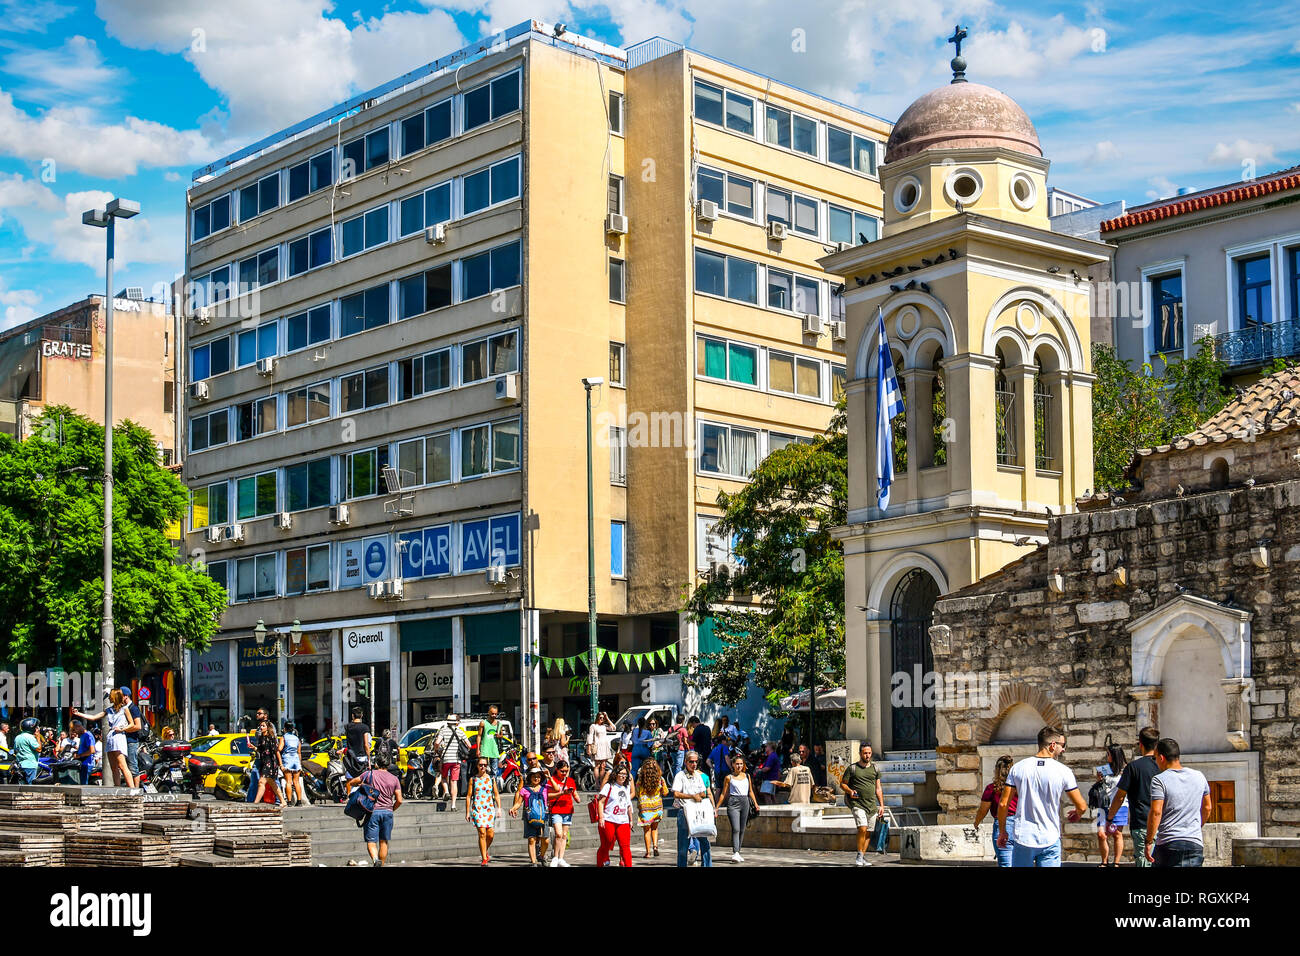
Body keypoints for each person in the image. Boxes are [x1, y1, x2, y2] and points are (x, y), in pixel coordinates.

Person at [998, 726, 1088, 868]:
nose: (1063, 749)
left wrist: (1002, 832)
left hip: (1023, 836)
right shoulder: (1064, 771)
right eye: (1063, 745)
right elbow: (1082, 806)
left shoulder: (1018, 768)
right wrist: (1077, 813)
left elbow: (1003, 804)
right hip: (1050, 836)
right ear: (1053, 745)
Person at [1146, 738, 1211, 867]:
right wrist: (1196, 827)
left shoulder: (1159, 780)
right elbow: (1208, 807)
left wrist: (1148, 841)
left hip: (1169, 844)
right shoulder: (1199, 776)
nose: (1156, 762)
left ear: (1161, 758)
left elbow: (1156, 812)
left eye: (1155, 758)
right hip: (1195, 844)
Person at [1106, 726, 1160, 869]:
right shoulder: (1163, 766)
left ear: (1140, 744)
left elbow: (1120, 797)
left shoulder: (1133, 767)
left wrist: (1110, 818)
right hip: (1164, 823)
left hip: (1142, 823)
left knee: (1144, 860)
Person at [346, 751, 402, 867]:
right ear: (388, 764)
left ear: (376, 763)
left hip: (373, 812)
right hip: (388, 812)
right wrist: (391, 809)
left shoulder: (368, 774)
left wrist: (361, 785)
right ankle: (382, 864)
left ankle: (376, 860)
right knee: (383, 841)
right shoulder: (394, 779)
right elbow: (399, 800)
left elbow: (352, 782)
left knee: (371, 842)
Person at [73, 691, 135, 787]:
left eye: (110, 697)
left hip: (119, 736)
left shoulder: (124, 709)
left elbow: (132, 724)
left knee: (122, 765)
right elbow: (94, 717)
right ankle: (117, 788)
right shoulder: (109, 710)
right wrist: (79, 714)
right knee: (113, 767)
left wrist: (122, 729)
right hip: (111, 737)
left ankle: (132, 789)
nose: (109, 699)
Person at [840, 743, 885, 866]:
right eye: (865, 753)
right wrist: (850, 791)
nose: (867, 755)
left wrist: (882, 805)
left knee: (869, 832)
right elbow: (843, 784)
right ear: (860, 753)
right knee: (862, 828)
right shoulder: (852, 768)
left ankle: (862, 856)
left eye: (869, 753)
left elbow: (878, 788)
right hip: (857, 804)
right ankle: (859, 855)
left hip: (871, 805)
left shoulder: (875, 769)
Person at [715, 753, 759, 863]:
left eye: (741, 764)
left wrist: (756, 804)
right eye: (737, 764)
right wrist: (717, 807)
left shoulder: (747, 776)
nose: (739, 766)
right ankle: (735, 852)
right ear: (733, 765)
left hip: (745, 802)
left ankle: (738, 851)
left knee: (742, 828)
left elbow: (750, 791)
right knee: (736, 828)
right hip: (733, 802)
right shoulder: (729, 777)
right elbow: (723, 794)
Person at [974, 755, 1017, 867]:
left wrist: (976, 822)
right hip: (1021, 825)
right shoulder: (1019, 787)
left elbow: (983, 810)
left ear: (996, 771)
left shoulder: (992, 789)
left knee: (1006, 864)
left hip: (1003, 825)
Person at [672, 751, 712, 867]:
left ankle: (707, 865)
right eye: (691, 762)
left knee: (704, 841)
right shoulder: (680, 775)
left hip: (697, 811)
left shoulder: (698, 776)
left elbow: (703, 793)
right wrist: (692, 796)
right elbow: (676, 793)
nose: (694, 764)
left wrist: (698, 795)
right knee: (683, 845)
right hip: (685, 810)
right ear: (686, 762)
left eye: (695, 762)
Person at [1095, 742, 1128, 866]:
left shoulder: (1125, 770)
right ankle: (1104, 861)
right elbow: (1099, 786)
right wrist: (1099, 780)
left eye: (1108, 753)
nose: (1106, 756)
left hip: (1120, 806)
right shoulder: (1104, 769)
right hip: (1104, 805)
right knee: (1101, 834)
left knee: (1116, 834)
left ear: (1114, 755)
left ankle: (1116, 862)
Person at [510, 766, 551, 866]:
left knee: (545, 840)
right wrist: (513, 808)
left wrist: (549, 777)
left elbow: (557, 789)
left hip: (543, 816)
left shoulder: (545, 788)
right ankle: (533, 862)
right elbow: (519, 802)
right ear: (530, 777)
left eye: (538, 776)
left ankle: (541, 856)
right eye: (534, 776)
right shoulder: (525, 790)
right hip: (530, 817)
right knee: (531, 839)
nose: (536, 778)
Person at [597, 762, 635, 867]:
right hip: (609, 819)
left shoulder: (626, 787)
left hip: (623, 821)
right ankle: (600, 863)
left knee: (625, 846)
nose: (623, 776)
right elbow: (600, 802)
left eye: (625, 774)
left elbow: (628, 804)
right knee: (606, 844)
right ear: (616, 774)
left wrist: (631, 820)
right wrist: (601, 818)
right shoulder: (609, 786)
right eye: (621, 774)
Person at [433, 714, 471, 810]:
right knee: (454, 781)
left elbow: (437, 743)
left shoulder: (443, 730)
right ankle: (453, 805)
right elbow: (469, 745)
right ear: (456, 722)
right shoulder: (460, 732)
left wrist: (437, 750)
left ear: (448, 722)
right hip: (457, 760)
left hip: (446, 759)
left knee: (444, 777)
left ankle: (446, 791)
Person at [467, 757, 501, 865]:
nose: (483, 767)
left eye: (485, 765)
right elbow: (468, 796)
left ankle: (484, 849)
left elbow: (496, 794)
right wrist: (467, 812)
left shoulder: (491, 779)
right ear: (477, 766)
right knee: (482, 833)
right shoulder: (473, 779)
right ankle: (484, 859)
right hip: (477, 809)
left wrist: (499, 808)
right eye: (481, 765)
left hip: (489, 809)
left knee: (490, 834)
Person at [546, 761, 579, 867]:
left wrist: (577, 797)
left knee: (564, 835)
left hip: (568, 810)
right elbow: (548, 796)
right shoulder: (553, 780)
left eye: (566, 771)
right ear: (557, 769)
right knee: (558, 834)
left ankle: (561, 858)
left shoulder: (570, 781)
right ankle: (555, 857)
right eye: (562, 771)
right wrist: (561, 793)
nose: (564, 773)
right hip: (556, 810)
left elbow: (575, 795)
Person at [636, 758, 670, 858]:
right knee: (655, 828)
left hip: (645, 808)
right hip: (657, 807)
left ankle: (648, 852)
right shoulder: (660, 779)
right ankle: (655, 846)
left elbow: (637, 793)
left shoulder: (641, 780)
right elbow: (665, 792)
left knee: (647, 830)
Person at [252, 720, 284, 805]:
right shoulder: (261, 737)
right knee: (272, 783)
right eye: (260, 726)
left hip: (270, 763)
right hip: (264, 762)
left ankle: (256, 802)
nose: (261, 728)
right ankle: (283, 801)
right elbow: (260, 750)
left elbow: (277, 751)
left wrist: (281, 764)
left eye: (263, 726)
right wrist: (254, 748)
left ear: (267, 727)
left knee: (261, 782)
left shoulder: (271, 737)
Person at [120, 687, 144, 781]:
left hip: (131, 741)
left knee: (133, 766)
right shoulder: (124, 708)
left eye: (120, 696)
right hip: (125, 741)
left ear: (125, 696)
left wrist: (123, 730)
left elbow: (138, 726)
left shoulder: (133, 708)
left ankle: (136, 790)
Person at [586, 712, 614, 791]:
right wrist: (589, 747)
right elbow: (590, 736)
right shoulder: (593, 726)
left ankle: (602, 783)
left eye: (603, 718)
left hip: (604, 746)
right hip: (597, 746)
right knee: (597, 765)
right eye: (600, 718)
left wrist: (607, 717)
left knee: (603, 766)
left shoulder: (604, 726)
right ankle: (597, 784)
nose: (602, 719)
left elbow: (613, 728)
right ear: (597, 718)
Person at [280, 722, 305, 807]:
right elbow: (299, 752)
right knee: (296, 782)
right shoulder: (296, 738)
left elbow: (279, 748)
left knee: (288, 781)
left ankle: (290, 801)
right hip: (296, 760)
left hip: (287, 760)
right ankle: (299, 801)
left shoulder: (283, 737)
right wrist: (299, 763)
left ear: (285, 728)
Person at [344, 707, 371, 778]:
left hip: (350, 757)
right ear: (361, 715)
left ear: (352, 715)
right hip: (361, 757)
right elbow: (366, 744)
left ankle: (349, 790)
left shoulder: (347, 727)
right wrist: (369, 759)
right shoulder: (365, 727)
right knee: (362, 779)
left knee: (350, 780)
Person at [12, 717, 42, 784]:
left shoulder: (18, 737)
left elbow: (15, 750)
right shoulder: (30, 737)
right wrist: (38, 737)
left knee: (22, 787)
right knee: (30, 787)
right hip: (30, 765)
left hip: (20, 765)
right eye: (36, 727)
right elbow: (39, 749)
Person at [479, 706, 503, 780]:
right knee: (483, 770)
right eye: (492, 713)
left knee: (494, 771)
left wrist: (499, 736)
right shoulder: (483, 723)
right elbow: (479, 736)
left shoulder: (499, 724)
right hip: (484, 750)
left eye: (496, 714)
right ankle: (484, 786)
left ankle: (493, 788)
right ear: (488, 712)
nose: (494, 715)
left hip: (494, 750)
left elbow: (501, 735)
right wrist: (478, 749)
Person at [71, 718, 96, 786]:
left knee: (83, 784)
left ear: (78, 727)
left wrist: (80, 755)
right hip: (82, 763)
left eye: (74, 730)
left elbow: (92, 750)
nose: (74, 732)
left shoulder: (88, 735)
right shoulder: (82, 736)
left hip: (87, 764)